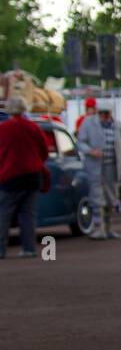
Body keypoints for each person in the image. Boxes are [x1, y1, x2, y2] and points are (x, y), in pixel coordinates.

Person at [0, 96, 50, 258]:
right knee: (28, 214)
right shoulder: (34, 127)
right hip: (32, 175)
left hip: (10, 175)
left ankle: (1, 249)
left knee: (4, 214)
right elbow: (44, 150)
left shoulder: (3, 128)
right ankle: (29, 248)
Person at [77, 103, 121, 239]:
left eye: (107, 113)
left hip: (112, 166)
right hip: (95, 166)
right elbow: (80, 142)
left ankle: (108, 228)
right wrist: (91, 151)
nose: (104, 116)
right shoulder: (88, 123)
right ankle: (99, 228)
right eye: (101, 113)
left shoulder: (118, 125)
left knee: (111, 196)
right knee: (96, 197)